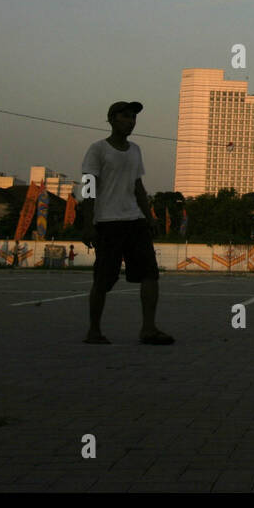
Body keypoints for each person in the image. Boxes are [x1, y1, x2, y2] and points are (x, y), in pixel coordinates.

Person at [79, 100, 174, 345]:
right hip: (108, 222)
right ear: (111, 119)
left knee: (150, 274)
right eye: (125, 116)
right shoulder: (98, 150)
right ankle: (94, 330)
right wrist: (88, 224)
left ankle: (149, 328)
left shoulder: (135, 150)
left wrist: (150, 216)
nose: (131, 121)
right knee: (103, 279)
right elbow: (88, 187)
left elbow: (138, 187)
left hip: (135, 221)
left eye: (133, 117)